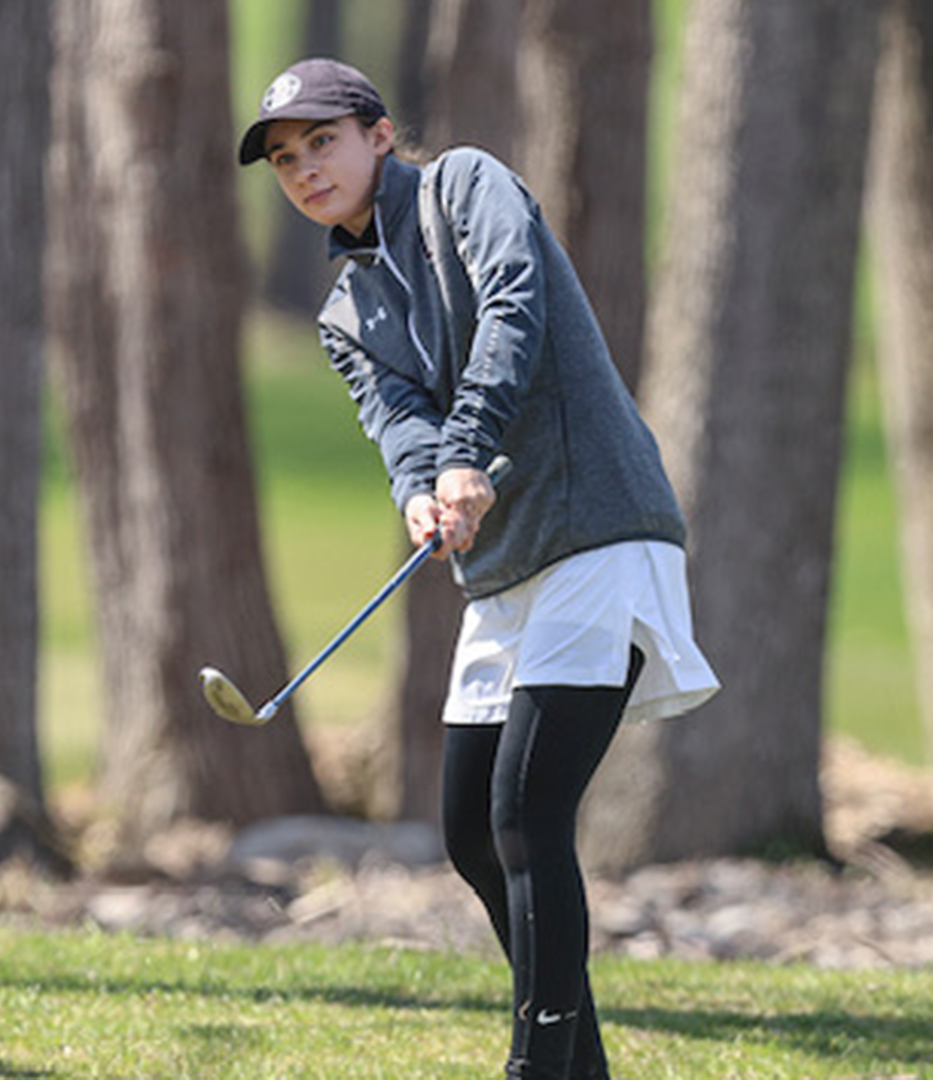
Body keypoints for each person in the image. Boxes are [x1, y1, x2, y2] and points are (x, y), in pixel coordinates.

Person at [239, 58, 719, 1080]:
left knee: (527, 811)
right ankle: (578, 1067)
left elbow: (513, 305)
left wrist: (467, 450)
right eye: (284, 159)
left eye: (322, 141)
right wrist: (422, 487)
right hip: (505, 574)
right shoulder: (345, 312)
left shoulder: (465, 185)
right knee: (469, 829)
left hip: (595, 532)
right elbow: (396, 422)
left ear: (379, 134)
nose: (305, 169)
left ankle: (535, 1067)